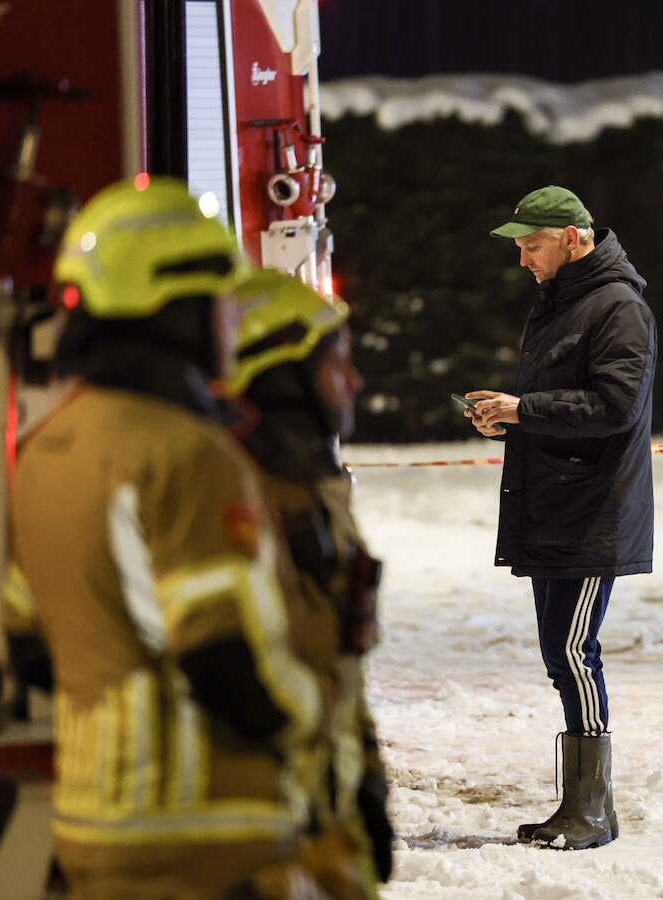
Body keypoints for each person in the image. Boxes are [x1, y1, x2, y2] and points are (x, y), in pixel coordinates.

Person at [8, 176, 328, 899]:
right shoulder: (187, 454)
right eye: (221, 298)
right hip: (202, 834)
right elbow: (229, 662)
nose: (230, 321)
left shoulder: (48, 447)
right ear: (172, 305)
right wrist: (318, 707)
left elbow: (31, 643)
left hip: (93, 825)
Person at [468, 185, 656, 850]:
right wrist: (509, 415)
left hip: (590, 513)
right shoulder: (562, 304)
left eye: (532, 244)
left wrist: (526, 410)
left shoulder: (617, 305)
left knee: (574, 652)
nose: (522, 258)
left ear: (573, 237)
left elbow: (615, 407)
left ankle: (592, 812)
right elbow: (559, 400)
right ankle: (579, 806)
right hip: (556, 504)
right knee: (561, 653)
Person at [227, 269, 392, 897]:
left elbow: (337, 659)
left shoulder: (319, 494)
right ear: (280, 373)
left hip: (323, 824)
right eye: (338, 362)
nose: (353, 382)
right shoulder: (233, 503)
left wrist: (365, 776)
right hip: (264, 839)